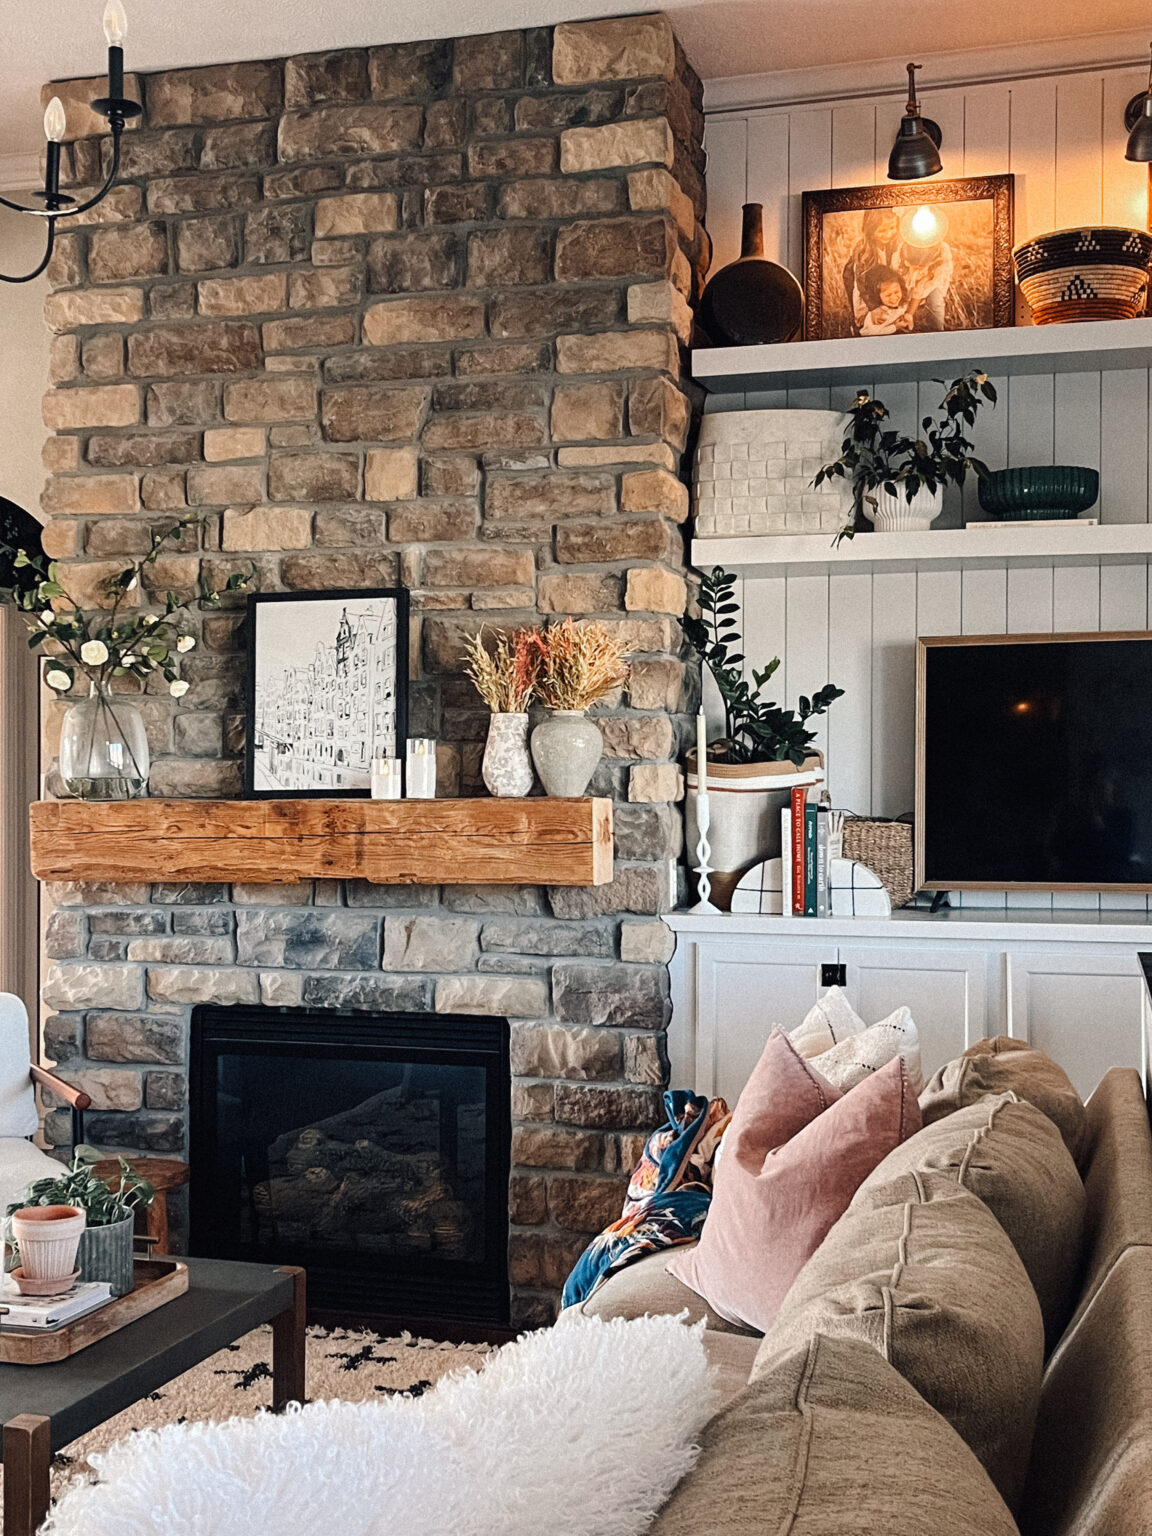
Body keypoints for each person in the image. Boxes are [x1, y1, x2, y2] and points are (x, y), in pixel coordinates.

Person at [857, 265, 912, 334]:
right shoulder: (879, 315)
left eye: (896, 292)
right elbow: (874, 333)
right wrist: (895, 327)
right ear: (878, 296)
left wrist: (906, 318)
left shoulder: (902, 304)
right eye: (888, 295)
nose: (894, 297)